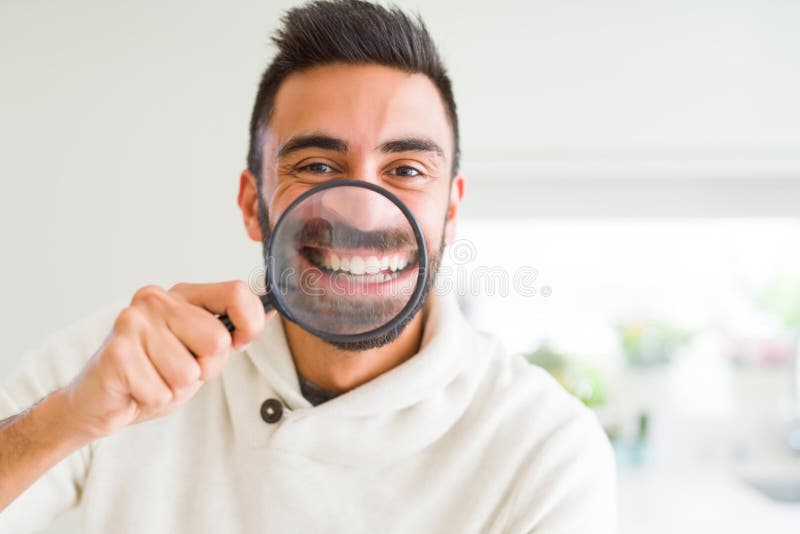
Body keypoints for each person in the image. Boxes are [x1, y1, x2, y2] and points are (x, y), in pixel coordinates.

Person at [0, 1, 616, 532]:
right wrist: (65, 420)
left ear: (451, 213)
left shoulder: (545, 448)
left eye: (405, 170)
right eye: (317, 167)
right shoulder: (116, 362)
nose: (362, 214)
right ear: (253, 204)